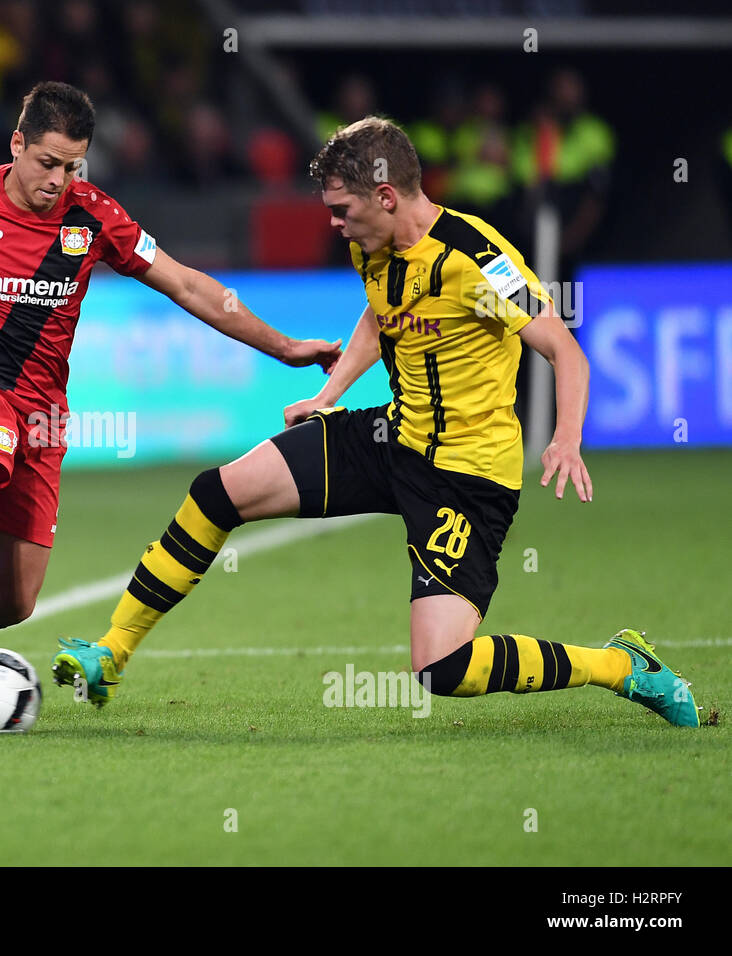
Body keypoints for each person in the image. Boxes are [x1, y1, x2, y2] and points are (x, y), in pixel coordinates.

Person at [52, 116, 701, 728]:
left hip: (466, 478)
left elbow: (564, 348)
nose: (335, 224)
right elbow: (379, 313)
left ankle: (620, 665)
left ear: (387, 196)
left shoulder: (475, 261)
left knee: (442, 668)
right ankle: (111, 651)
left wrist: (565, 438)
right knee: (217, 493)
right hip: (393, 437)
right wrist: (330, 395)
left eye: (343, 210)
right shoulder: (375, 246)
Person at [0, 81, 343, 735]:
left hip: (42, 419)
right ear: (17, 144)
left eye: (72, 166)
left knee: (13, 599)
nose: (57, 180)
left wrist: (284, 346)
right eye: (47, 163)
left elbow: (188, 284)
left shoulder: (93, 217)